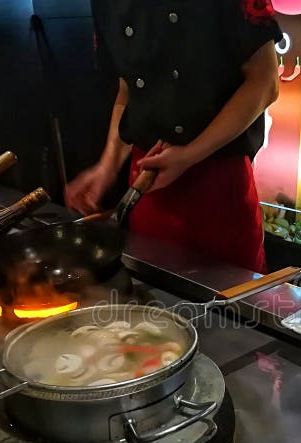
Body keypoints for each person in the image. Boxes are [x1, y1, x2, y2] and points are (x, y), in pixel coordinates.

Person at [66, 0, 283, 273]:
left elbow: (264, 81)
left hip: (218, 187)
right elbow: (129, 89)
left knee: (231, 308)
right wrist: (107, 166)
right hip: (147, 185)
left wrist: (190, 154)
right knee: (150, 301)